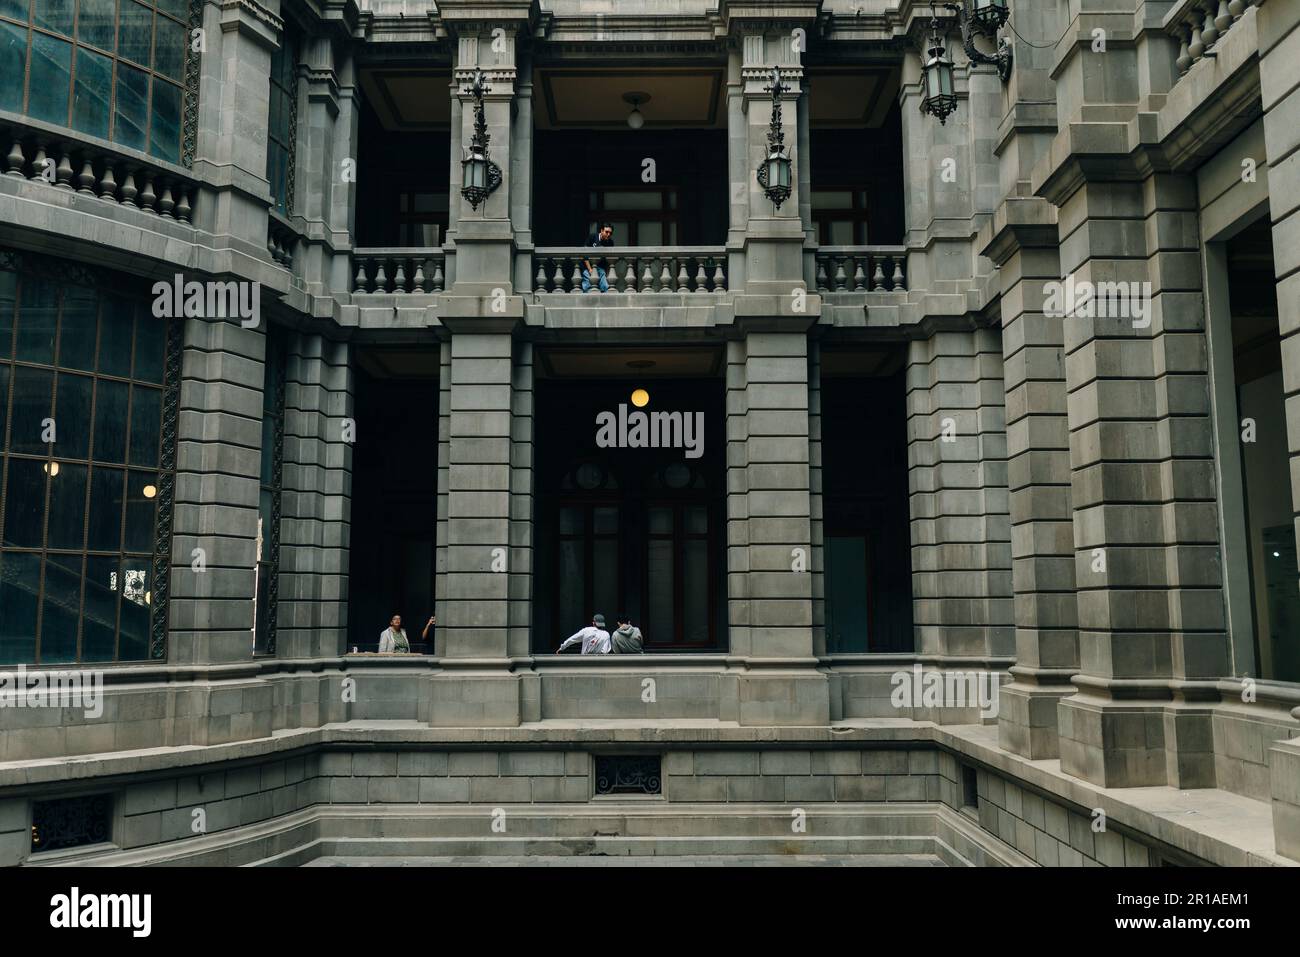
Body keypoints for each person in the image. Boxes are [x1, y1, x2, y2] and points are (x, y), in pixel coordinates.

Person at [581, 223, 614, 293]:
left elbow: (609, 259)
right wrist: (589, 269)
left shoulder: (610, 242)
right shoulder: (592, 237)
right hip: (587, 266)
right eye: (606, 232)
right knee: (587, 286)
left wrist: (607, 272)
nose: (608, 234)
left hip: (600, 267)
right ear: (601, 231)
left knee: (604, 285)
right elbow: (585, 253)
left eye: (610, 233)